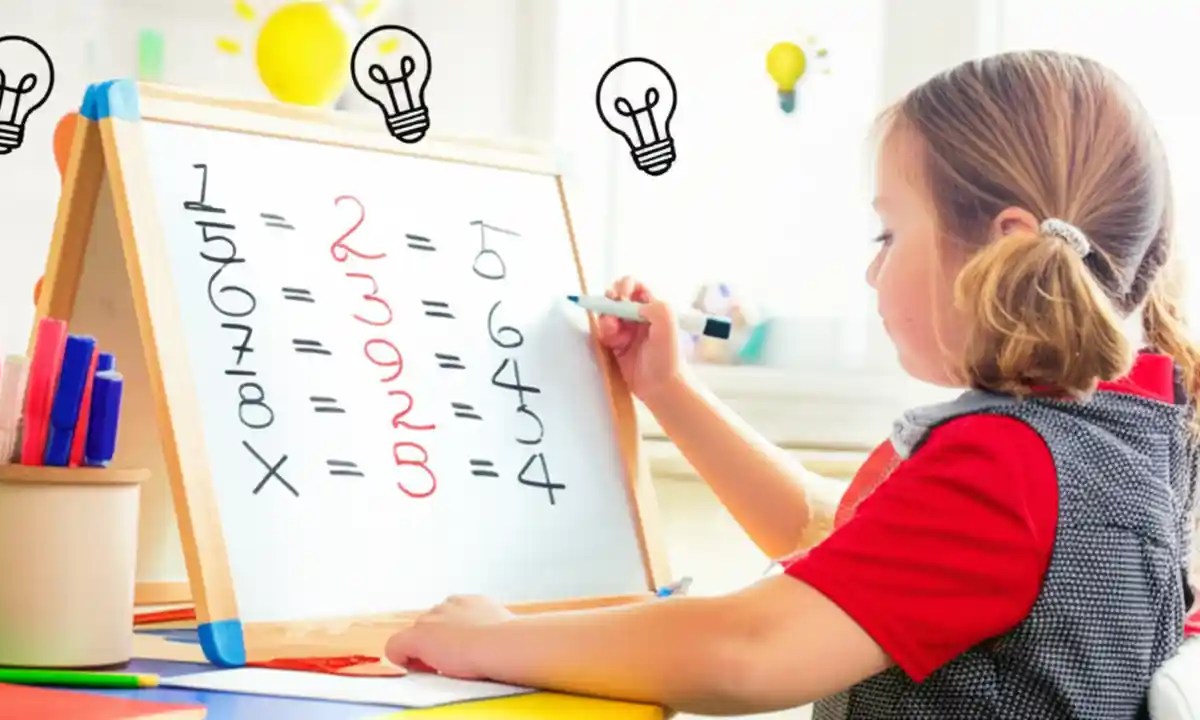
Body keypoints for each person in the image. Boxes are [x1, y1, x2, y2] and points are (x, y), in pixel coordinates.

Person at [385, 50, 1200, 718]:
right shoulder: (1131, 433)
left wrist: (489, 639)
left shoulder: (1011, 465)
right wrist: (668, 389)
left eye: (890, 230)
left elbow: (749, 650)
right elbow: (841, 538)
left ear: (1004, 242)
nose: (873, 266)